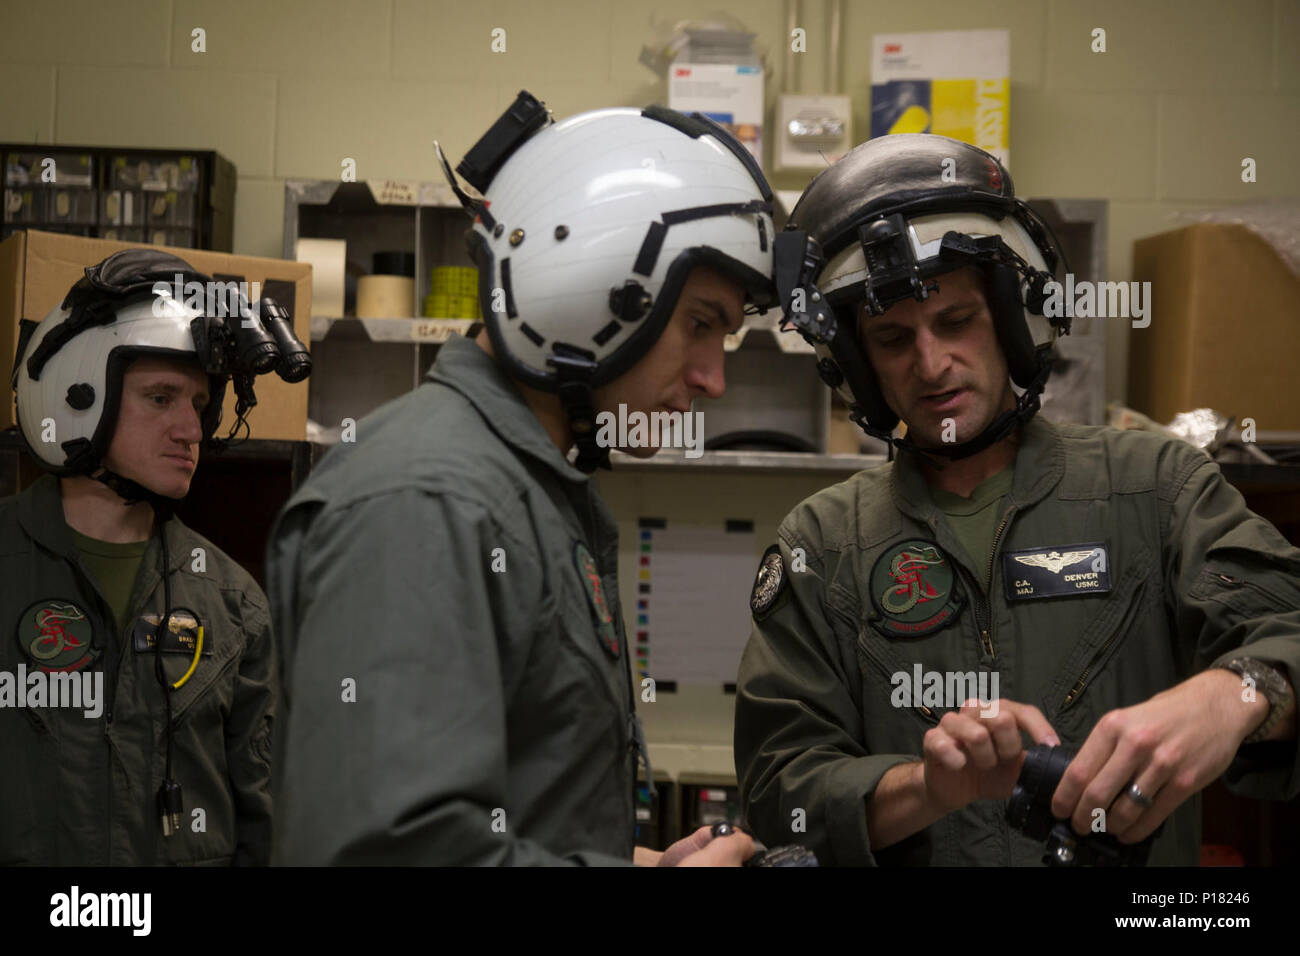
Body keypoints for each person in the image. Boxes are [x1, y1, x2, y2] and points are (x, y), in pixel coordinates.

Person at [734, 132, 1300, 866]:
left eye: (955, 322)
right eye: (892, 337)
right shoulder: (822, 542)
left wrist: (1233, 694)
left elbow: (1284, 626)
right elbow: (782, 797)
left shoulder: (1156, 487)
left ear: (1011, 318)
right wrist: (928, 786)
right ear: (858, 365)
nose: (932, 364)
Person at [267, 92, 777, 865]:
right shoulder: (427, 501)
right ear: (581, 288)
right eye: (700, 325)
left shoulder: (531, 488)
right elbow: (391, 854)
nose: (712, 380)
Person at [1, 248, 304, 864]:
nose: (191, 430)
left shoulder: (232, 603)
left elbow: (265, 826)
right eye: (161, 398)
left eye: (198, 405)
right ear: (75, 393)